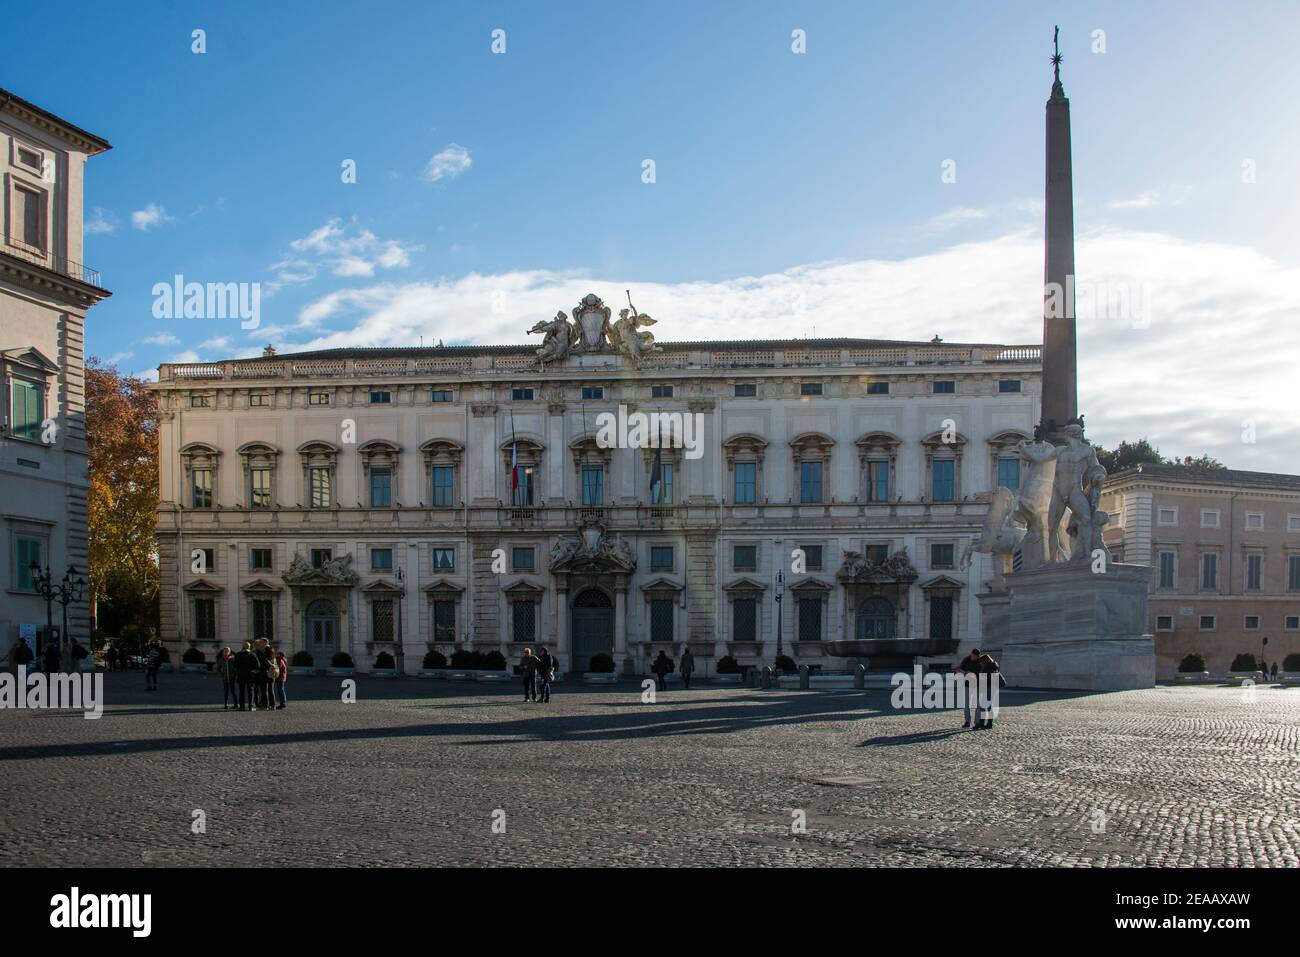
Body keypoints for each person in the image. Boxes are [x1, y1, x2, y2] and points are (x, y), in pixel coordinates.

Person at [975, 650, 1003, 730]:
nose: (980, 663)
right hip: (993, 689)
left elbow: (983, 681)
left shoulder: (987, 669)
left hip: (987, 689)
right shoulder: (994, 666)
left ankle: (982, 723)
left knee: (984, 707)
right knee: (989, 707)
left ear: (984, 661)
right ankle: (988, 723)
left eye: (981, 662)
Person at [954, 648, 982, 729]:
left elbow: (974, 673)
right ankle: (967, 721)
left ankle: (977, 722)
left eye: (975, 656)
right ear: (971, 654)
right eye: (972, 656)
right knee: (966, 704)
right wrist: (962, 671)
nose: (973, 658)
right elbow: (960, 668)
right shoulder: (966, 659)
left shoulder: (980, 661)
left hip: (978, 685)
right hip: (967, 684)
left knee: (978, 705)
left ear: (978, 656)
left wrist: (965, 672)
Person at [234, 641, 258, 711]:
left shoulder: (238, 654)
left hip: (241, 675)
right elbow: (258, 666)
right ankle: (250, 706)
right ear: (249, 647)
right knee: (250, 691)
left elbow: (235, 665)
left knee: (241, 691)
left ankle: (242, 706)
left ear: (243, 647)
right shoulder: (253, 655)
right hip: (250, 675)